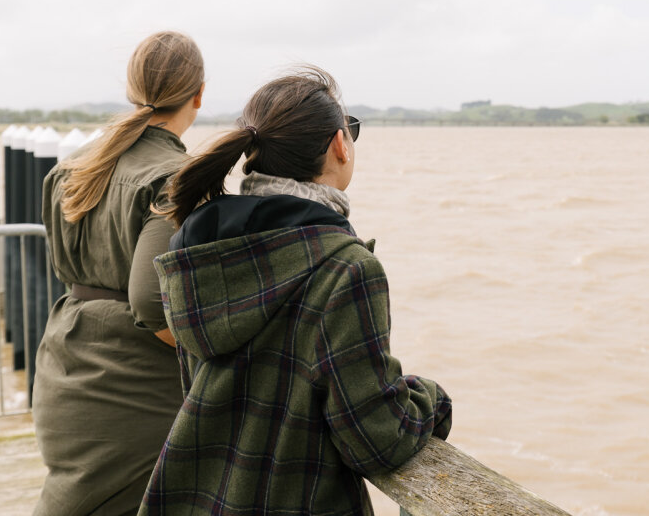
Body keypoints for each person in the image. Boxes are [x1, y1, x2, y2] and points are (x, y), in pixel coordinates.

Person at [139, 66, 451, 516]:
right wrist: (430, 398)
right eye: (351, 130)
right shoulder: (347, 268)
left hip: (194, 498)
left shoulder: (199, 247)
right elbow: (377, 439)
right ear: (340, 144)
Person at [33, 30, 206, 516]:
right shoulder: (178, 177)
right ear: (199, 94)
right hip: (136, 385)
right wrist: (215, 347)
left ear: (133, 90)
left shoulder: (70, 169)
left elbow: (64, 269)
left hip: (64, 362)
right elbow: (152, 306)